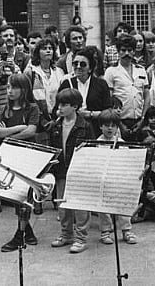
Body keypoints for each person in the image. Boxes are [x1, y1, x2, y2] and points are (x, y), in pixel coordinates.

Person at [0, 73, 41, 252]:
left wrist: (10, 134)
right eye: (7, 87)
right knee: (15, 195)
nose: (9, 91)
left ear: (24, 89)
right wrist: (20, 128)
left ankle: (19, 234)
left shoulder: (32, 108)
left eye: (13, 87)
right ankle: (27, 229)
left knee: (25, 195)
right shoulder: (4, 109)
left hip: (28, 156)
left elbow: (31, 131)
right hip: (11, 155)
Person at [48, 88, 94, 254]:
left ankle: (81, 238)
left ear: (75, 106)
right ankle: (66, 234)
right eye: (59, 104)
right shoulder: (55, 126)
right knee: (62, 205)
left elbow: (91, 149)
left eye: (64, 104)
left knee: (81, 207)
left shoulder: (85, 126)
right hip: (61, 171)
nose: (60, 107)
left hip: (79, 172)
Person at [96, 109, 138, 245]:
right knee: (103, 207)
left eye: (113, 125)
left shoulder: (121, 142)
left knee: (122, 204)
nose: (109, 128)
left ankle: (126, 230)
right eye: (106, 125)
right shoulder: (97, 143)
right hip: (104, 181)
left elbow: (127, 162)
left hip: (119, 179)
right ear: (100, 126)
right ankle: (106, 231)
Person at [104, 35, 150, 142]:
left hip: (139, 121)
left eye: (130, 50)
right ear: (118, 52)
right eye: (123, 50)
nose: (126, 54)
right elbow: (109, 99)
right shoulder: (111, 71)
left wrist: (143, 119)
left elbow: (147, 96)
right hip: (120, 121)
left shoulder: (141, 70)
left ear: (134, 51)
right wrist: (119, 124)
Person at [57, 46, 111, 133]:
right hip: (71, 128)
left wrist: (90, 114)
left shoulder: (101, 84)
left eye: (83, 64)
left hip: (95, 128)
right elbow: (56, 110)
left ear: (90, 68)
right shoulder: (66, 83)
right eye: (75, 64)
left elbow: (108, 112)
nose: (78, 67)